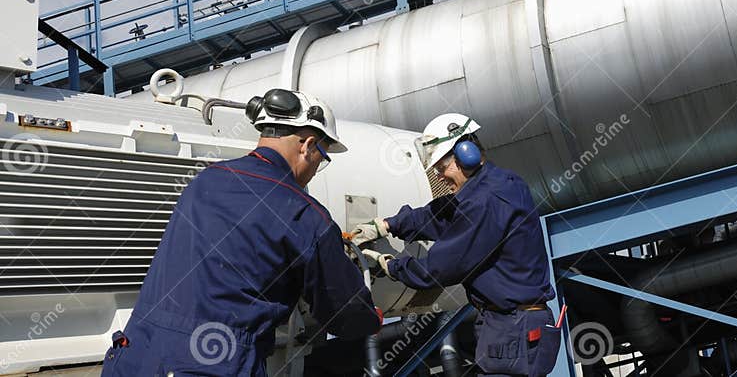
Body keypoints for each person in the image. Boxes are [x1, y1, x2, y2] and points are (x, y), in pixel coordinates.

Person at [101, 88, 381, 377]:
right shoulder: (305, 214)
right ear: (308, 145)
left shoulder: (204, 181)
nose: (315, 168)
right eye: (322, 157)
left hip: (134, 357)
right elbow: (344, 314)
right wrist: (371, 318)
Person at [352, 113, 561, 376]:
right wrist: (388, 224)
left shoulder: (487, 201)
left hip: (513, 327)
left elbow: (440, 268)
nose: (439, 177)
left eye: (441, 168)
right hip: (509, 324)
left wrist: (391, 266)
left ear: (466, 154)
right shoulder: (498, 184)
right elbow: (440, 215)